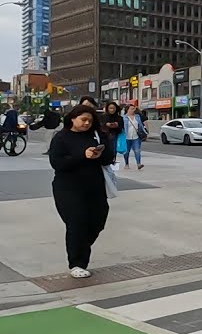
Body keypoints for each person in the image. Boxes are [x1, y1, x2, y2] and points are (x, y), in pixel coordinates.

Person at [48, 105, 110, 279]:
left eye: (90, 120)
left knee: (98, 221)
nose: (87, 123)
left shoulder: (96, 135)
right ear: (73, 119)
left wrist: (100, 153)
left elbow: (109, 157)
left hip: (95, 187)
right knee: (76, 224)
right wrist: (82, 155)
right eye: (83, 119)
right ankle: (77, 263)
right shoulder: (61, 138)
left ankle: (80, 247)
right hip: (68, 188)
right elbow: (57, 163)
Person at [122, 104, 146, 169]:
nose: (133, 110)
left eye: (134, 109)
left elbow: (140, 125)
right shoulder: (124, 117)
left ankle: (139, 164)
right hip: (127, 137)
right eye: (131, 109)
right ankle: (126, 164)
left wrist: (144, 132)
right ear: (127, 109)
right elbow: (122, 127)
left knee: (137, 150)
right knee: (126, 151)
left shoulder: (137, 116)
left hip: (136, 137)